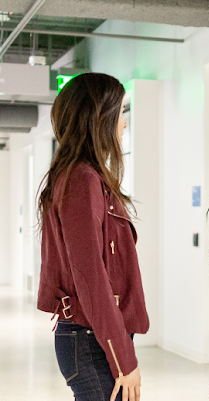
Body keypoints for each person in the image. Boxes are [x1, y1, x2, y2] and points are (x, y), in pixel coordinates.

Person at [37, 73, 149, 401]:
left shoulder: (86, 178)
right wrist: (123, 360)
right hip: (89, 341)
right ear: (99, 118)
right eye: (121, 112)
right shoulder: (82, 181)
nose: (124, 124)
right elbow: (91, 279)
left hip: (91, 337)